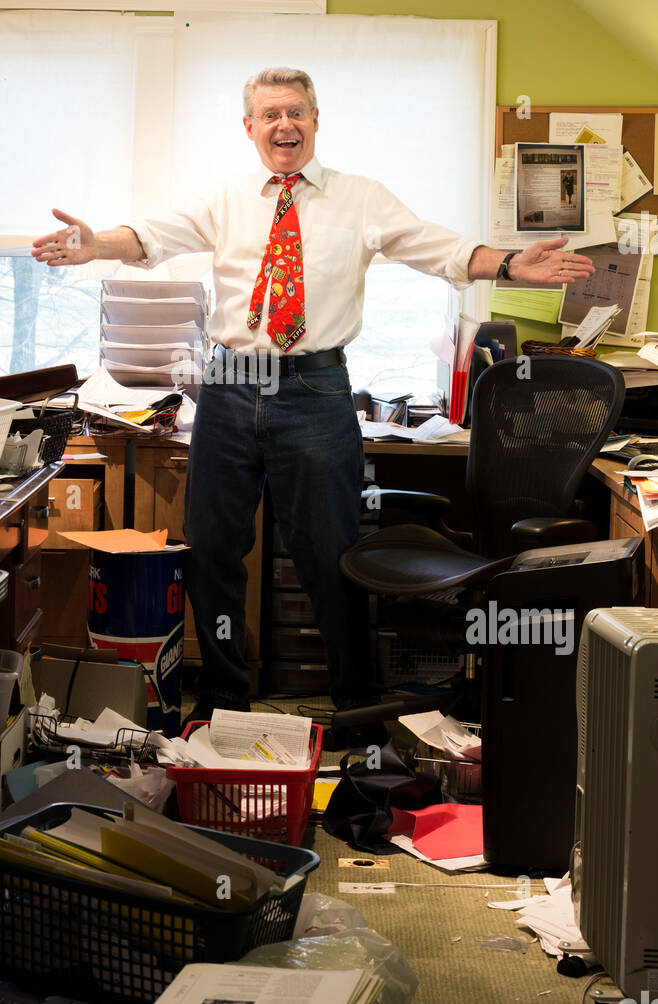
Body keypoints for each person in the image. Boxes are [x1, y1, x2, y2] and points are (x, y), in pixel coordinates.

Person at [32, 67, 595, 720]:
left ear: (316, 120)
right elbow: (151, 238)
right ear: (249, 127)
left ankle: (354, 701)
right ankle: (223, 697)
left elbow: (436, 248)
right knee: (211, 550)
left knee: (329, 556)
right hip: (230, 385)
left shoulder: (361, 198)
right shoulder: (225, 197)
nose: (285, 125)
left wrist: (508, 263)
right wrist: (96, 243)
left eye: (296, 112)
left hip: (316, 388)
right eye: (270, 114)